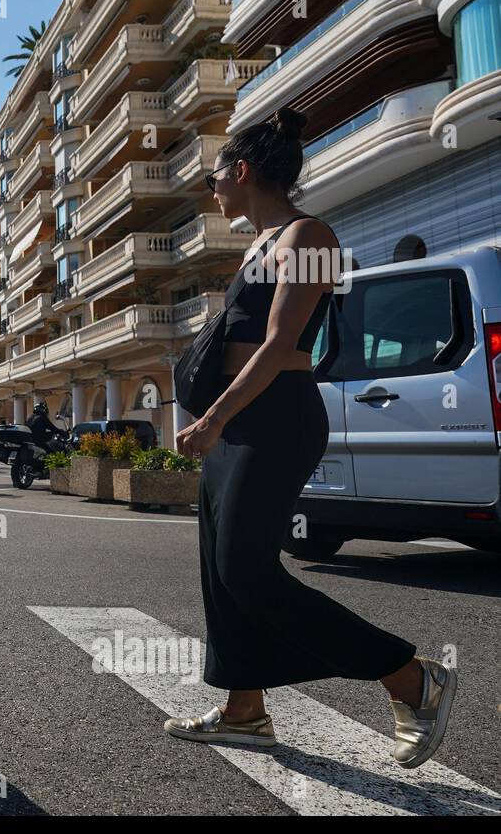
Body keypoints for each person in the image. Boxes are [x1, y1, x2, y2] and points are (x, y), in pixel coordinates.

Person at [165, 108, 455, 769]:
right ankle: (244, 710)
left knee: (248, 572)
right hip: (238, 420)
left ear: (241, 173)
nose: (212, 191)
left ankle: (410, 678)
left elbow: (278, 346)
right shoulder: (258, 245)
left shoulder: (309, 236)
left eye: (215, 178)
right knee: (219, 568)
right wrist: (216, 418)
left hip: (276, 417)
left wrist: (211, 421)